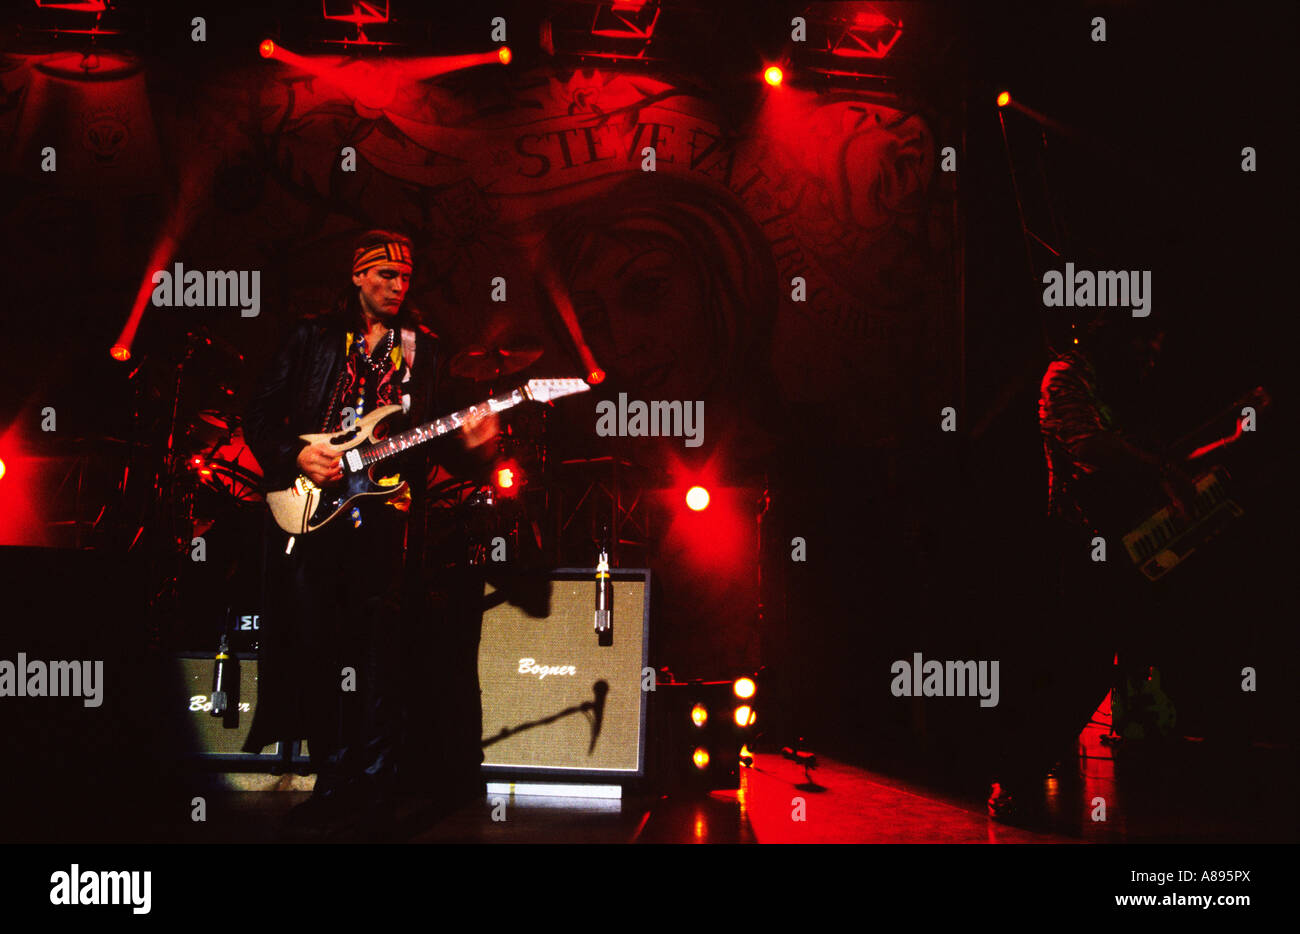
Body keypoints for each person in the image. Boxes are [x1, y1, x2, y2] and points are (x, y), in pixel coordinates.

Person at [242, 230, 496, 838]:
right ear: (358, 276)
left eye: (405, 279)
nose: (396, 287)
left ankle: (378, 787)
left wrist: (478, 442)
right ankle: (333, 782)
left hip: (387, 513)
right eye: (385, 276)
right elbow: (257, 415)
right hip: (315, 508)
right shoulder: (312, 337)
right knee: (316, 648)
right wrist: (296, 458)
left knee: (382, 658)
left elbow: (441, 443)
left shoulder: (423, 350)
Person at [986, 317, 1192, 822]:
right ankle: (1012, 778)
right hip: (1076, 539)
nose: (1151, 354)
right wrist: (1159, 469)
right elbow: (1087, 445)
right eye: (1145, 341)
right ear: (1115, 335)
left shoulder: (1121, 387)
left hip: (1118, 540)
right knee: (1078, 664)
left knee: (1106, 660)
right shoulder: (1066, 376)